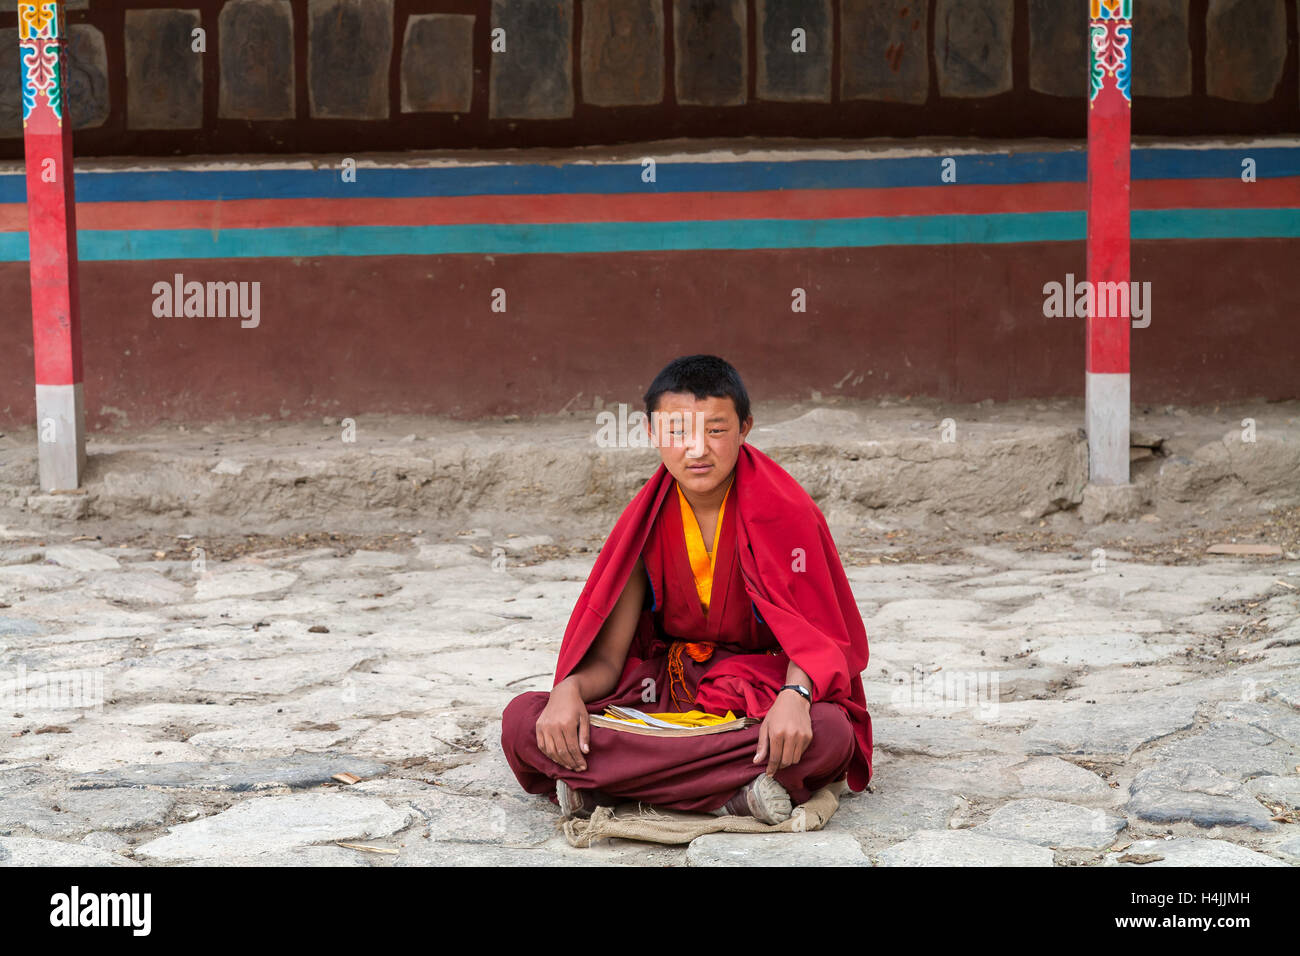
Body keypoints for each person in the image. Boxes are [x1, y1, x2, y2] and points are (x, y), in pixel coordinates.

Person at [500, 355, 872, 823]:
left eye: (716, 430)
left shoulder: (785, 511)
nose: (696, 450)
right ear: (652, 432)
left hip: (763, 692)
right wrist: (569, 690)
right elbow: (610, 663)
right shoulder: (647, 522)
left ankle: (610, 786)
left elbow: (817, 638)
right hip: (671, 688)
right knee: (524, 721)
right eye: (677, 431)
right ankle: (733, 795)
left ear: (745, 428)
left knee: (829, 734)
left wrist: (795, 699)